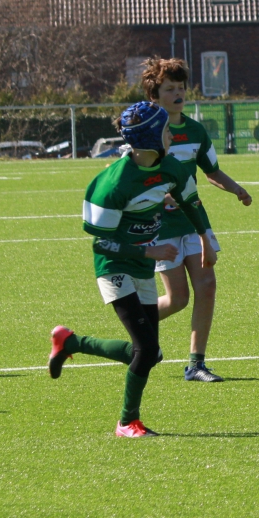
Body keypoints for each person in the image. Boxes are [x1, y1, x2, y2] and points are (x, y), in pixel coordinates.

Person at [47, 101, 211, 436]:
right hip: (114, 265)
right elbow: (100, 244)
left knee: (150, 353)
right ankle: (126, 421)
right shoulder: (112, 185)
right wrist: (147, 249)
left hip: (141, 265)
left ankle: (70, 342)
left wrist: (206, 238)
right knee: (147, 350)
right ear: (151, 138)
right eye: (166, 131)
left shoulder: (172, 169)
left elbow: (190, 201)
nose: (172, 136)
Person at [142, 58, 253, 383]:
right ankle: (138, 325)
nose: (178, 94)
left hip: (192, 221)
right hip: (159, 226)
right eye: (169, 89)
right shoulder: (147, 132)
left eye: (181, 88)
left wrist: (236, 189)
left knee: (207, 286)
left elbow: (212, 171)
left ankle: (196, 364)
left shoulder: (194, 130)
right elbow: (134, 175)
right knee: (177, 299)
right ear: (155, 95)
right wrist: (158, 196)